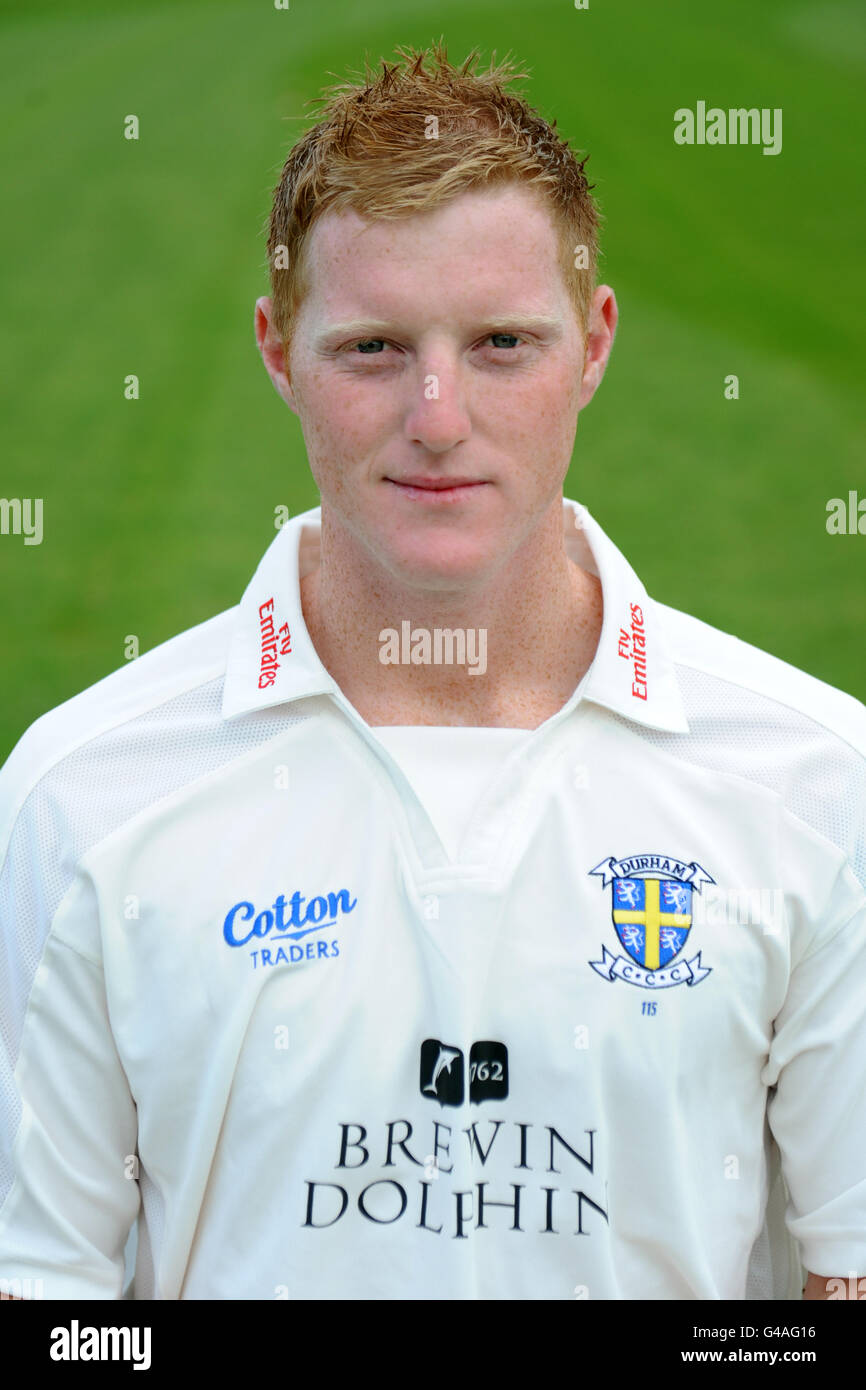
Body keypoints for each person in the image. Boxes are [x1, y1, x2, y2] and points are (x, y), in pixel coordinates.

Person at [1, 43, 864, 1302]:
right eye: (371, 350)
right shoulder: (82, 796)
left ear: (595, 345)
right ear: (277, 351)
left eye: (503, 342)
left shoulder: (816, 783)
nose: (439, 415)